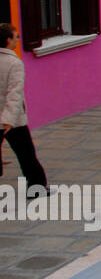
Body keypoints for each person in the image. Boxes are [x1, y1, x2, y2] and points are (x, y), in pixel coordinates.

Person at [0, 24, 46, 196]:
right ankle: (36, 188)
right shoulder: (14, 63)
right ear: (8, 40)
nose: (18, 40)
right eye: (16, 37)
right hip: (12, 121)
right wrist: (8, 120)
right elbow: (14, 93)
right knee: (26, 155)